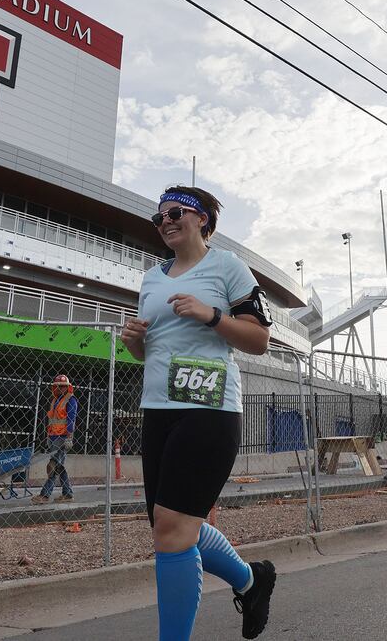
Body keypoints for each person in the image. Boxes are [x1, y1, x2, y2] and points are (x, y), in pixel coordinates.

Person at [120, 186, 277, 640]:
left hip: (209, 409)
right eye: (158, 217)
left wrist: (210, 315)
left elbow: (259, 340)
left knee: (172, 531)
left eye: (175, 213)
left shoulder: (227, 266)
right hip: (158, 411)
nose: (165, 221)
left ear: (204, 219)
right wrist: (134, 342)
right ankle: (252, 580)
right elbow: (147, 353)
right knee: (171, 527)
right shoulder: (151, 277)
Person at [31, 374, 78, 505]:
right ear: (55, 387)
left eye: (63, 386)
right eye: (59, 386)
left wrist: (69, 437)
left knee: (53, 465)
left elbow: (71, 420)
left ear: (68, 387)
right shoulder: (55, 400)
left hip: (62, 437)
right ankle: (68, 494)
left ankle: (45, 495)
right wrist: (48, 436)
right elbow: (52, 421)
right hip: (53, 436)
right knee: (59, 466)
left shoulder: (70, 400)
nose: (61, 388)